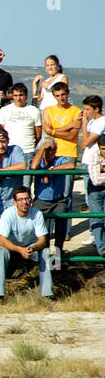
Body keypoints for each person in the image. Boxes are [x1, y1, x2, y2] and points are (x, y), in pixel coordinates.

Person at [0, 186, 52, 300]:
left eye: (27, 199)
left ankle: (47, 294)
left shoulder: (37, 214)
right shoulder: (7, 214)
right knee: (1, 251)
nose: (24, 202)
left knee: (46, 252)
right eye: (20, 199)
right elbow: (2, 240)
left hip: (30, 248)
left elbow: (43, 240)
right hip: (12, 247)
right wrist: (20, 250)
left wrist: (33, 248)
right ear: (14, 202)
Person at [29, 135, 74, 258]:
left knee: (61, 222)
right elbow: (33, 167)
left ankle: (58, 254)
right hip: (42, 200)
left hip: (58, 200)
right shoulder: (38, 161)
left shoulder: (59, 160)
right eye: (47, 149)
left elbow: (71, 165)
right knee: (44, 231)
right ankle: (45, 256)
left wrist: (51, 170)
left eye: (52, 149)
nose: (50, 152)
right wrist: (43, 147)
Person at [82, 95, 105, 257]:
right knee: (94, 205)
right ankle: (98, 239)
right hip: (89, 164)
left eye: (88, 109)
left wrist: (83, 124)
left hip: (95, 166)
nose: (85, 112)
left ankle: (100, 243)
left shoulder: (101, 122)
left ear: (96, 109)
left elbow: (86, 142)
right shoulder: (93, 122)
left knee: (97, 205)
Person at [0, 83, 42, 157]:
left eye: (21, 95)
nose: (18, 98)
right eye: (15, 95)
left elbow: (38, 134)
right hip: (10, 150)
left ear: (26, 96)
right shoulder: (4, 110)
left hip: (28, 151)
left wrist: (30, 146)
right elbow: (1, 131)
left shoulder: (34, 111)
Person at [41, 82, 82, 160]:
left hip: (69, 153)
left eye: (63, 94)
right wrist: (70, 126)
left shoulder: (77, 111)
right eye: (57, 95)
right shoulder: (47, 111)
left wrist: (52, 131)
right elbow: (46, 130)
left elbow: (71, 135)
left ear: (67, 93)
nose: (61, 98)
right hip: (51, 152)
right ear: (54, 96)